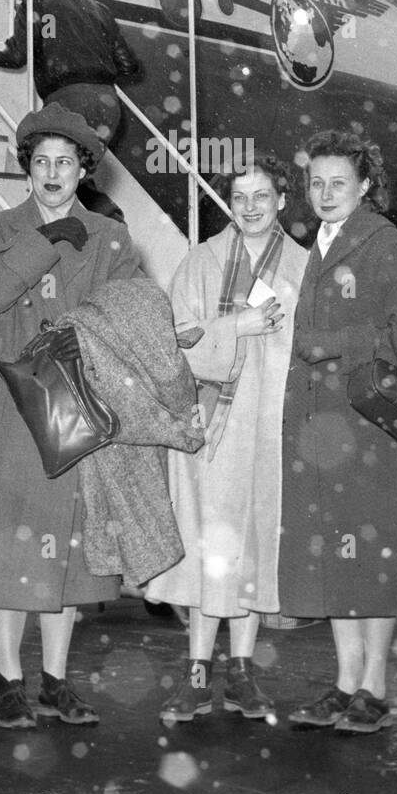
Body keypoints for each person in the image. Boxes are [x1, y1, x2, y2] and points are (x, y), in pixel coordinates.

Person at [0, 102, 144, 728]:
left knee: (71, 557)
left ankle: (56, 681)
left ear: (83, 169)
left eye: (65, 162)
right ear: (25, 168)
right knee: (9, 547)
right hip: (7, 406)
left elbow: (126, 316)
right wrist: (44, 241)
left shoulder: (112, 238)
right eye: (41, 162)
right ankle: (8, 680)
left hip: (77, 405)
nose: (52, 173)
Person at [278, 130, 397, 733]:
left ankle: (374, 686)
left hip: (369, 429)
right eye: (316, 182)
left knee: (370, 560)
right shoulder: (317, 245)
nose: (324, 192)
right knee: (337, 561)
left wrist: (331, 346)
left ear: (366, 185)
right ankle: (345, 683)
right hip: (321, 430)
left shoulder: (386, 243)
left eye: (338, 182)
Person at [146, 152, 308, 721]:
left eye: (262, 196)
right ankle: (196, 671)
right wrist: (234, 326)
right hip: (210, 429)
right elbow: (178, 340)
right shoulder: (201, 261)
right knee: (209, 548)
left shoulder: (303, 268)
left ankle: (240, 670)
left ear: (283, 200)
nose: (251, 208)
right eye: (239, 198)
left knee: (254, 544)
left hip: (268, 428)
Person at [0, 0, 141, 146]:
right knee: (78, 168)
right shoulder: (100, 10)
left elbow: (17, 55)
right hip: (107, 105)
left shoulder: (39, 3)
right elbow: (128, 65)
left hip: (67, 100)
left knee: (50, 161)